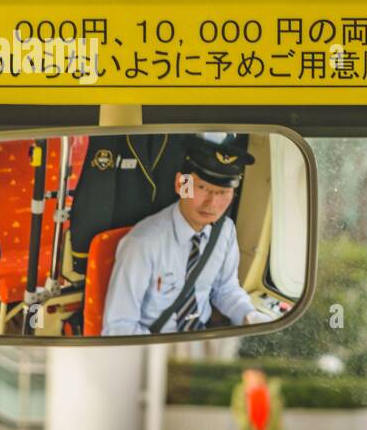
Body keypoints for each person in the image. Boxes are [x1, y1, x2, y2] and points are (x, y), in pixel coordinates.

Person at [102, 135, 274, 336]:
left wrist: (249, 316)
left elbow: (225, 290)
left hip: (201, 339)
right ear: (180, 185)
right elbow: (118, 327)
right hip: (156, 345)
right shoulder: (142, 244)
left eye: (222, 193)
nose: (212, 204)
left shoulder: (225, 231)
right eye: (202, 188)